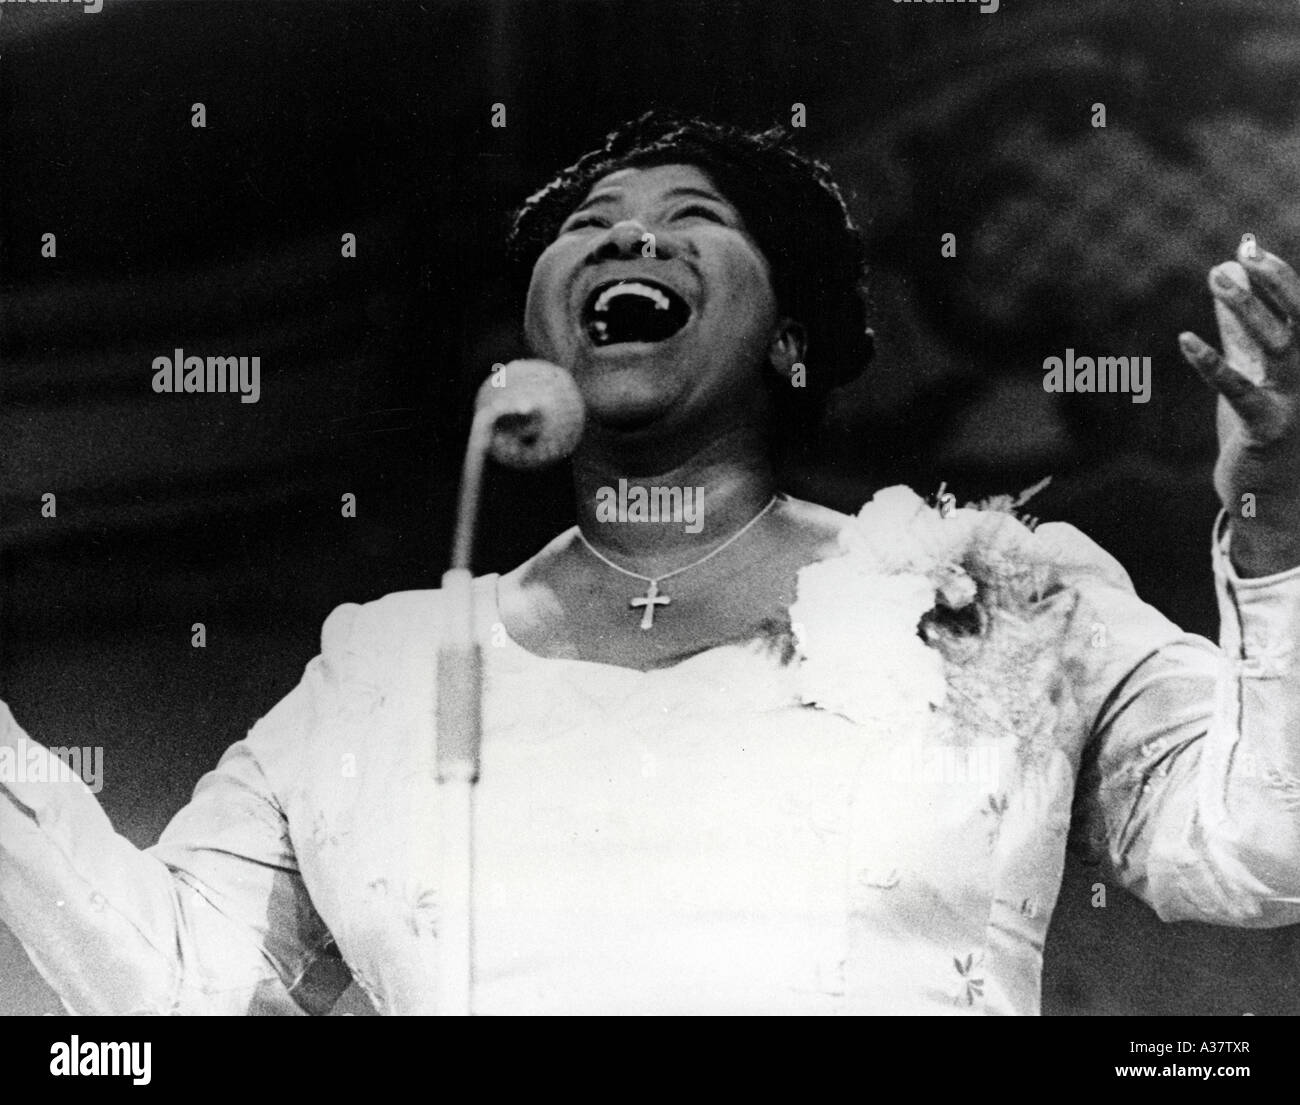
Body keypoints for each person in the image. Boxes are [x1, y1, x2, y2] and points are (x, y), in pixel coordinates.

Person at [4, 114, 1300, 1016]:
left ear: (791, 335)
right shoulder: (380, 674)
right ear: (535, 342)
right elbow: (170, 988)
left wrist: (1281, 520)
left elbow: (1261, 841)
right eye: (588, 227)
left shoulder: (995, 597)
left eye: (694, 219)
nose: (630, 239)